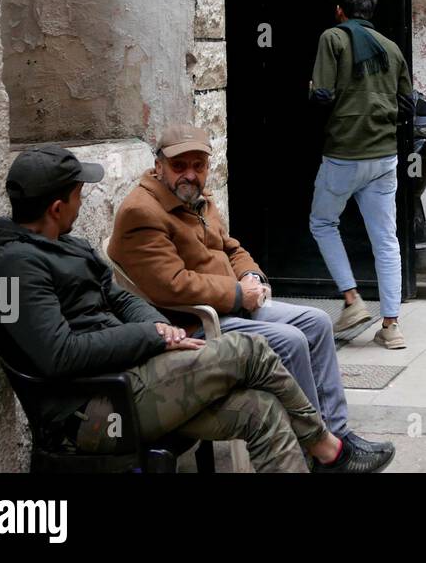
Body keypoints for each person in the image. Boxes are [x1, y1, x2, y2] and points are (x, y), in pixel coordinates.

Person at [0, 144, 390, 472]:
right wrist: (151, 336)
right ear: (56, 207)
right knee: (252, 351)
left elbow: (120, 297)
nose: (81, 201)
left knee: (261, 410)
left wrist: (163, 331)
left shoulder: (67, 245)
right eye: (77, 194)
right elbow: (59, 355)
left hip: (135, 379)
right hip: (94, 411)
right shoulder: (13, 266)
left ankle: (324, 453)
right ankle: (329, 450)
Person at [109, 124, 394, 467]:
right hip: (194, 322)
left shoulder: (197, 198)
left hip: (231, 305)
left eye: (198, 166)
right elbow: (171, 284)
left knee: (317, 322)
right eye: (179, 166)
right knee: (290, 340)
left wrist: (250, 275)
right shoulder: (142, 212)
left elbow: (230, 247)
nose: (190, 174)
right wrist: (237, 292)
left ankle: (337, 434)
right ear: (159, 166)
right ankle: (315, 450)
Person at [308, 0, 413, 348]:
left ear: (340, 10)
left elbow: (321, 94)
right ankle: (392, 325)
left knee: (322, 222)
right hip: (384, 157)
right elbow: (408, 103)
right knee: (386, 239)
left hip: (344, 153)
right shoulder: (392, 48)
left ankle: (352, 300)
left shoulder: (332, 38)